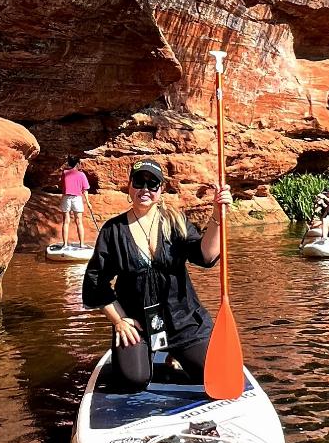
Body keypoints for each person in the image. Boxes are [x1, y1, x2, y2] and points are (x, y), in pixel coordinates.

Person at [82, 158, 232, 390]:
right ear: (129, 186)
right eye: (139, 182)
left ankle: (176, 353)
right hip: (138, 323)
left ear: (161, 190)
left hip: (183, 321)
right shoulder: (113, 230)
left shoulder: (175, 222)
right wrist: (120, 321)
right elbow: (96, 283)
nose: (145, 189)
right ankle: (144, 355)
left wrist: (217, 217)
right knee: (133, 381)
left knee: (214, 374)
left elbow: (206, 256)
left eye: (153, 184)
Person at [58, 153, 94, 248]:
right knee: (79, 221)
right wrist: (88, 202)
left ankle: (65, 244)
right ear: (77, 163)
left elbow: (62, 186)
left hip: (66, 197)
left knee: (66, 221)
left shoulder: (64, 173)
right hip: (77, 198)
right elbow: (85, 190)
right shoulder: (81, 174)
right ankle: (81, 244)